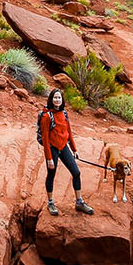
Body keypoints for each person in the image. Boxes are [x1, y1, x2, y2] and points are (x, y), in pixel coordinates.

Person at [37, 88, 92, 216]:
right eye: (55, 98)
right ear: (51, 99)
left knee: (76, 172)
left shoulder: (64, 114)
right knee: (51, 174)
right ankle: (50, 202)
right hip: (52, 148)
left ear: (62, 100)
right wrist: (49, 158)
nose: (57, 100)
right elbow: (45, 138)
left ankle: (79, 202)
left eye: (59, 98)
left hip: (63, 146)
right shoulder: (46, 116)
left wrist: (74, 149)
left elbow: (69, 133)